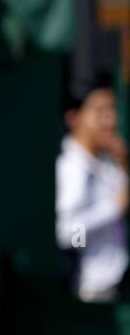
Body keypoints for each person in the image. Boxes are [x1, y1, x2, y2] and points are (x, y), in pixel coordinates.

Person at [56, 73, 127, 303]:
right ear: (74, 118)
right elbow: (69, 235)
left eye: (112, 110)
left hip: (118, 284)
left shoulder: (107, 163)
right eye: (100, 112)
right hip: (92, 293)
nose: (110, 121)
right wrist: (114, 208)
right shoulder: (70, 167)